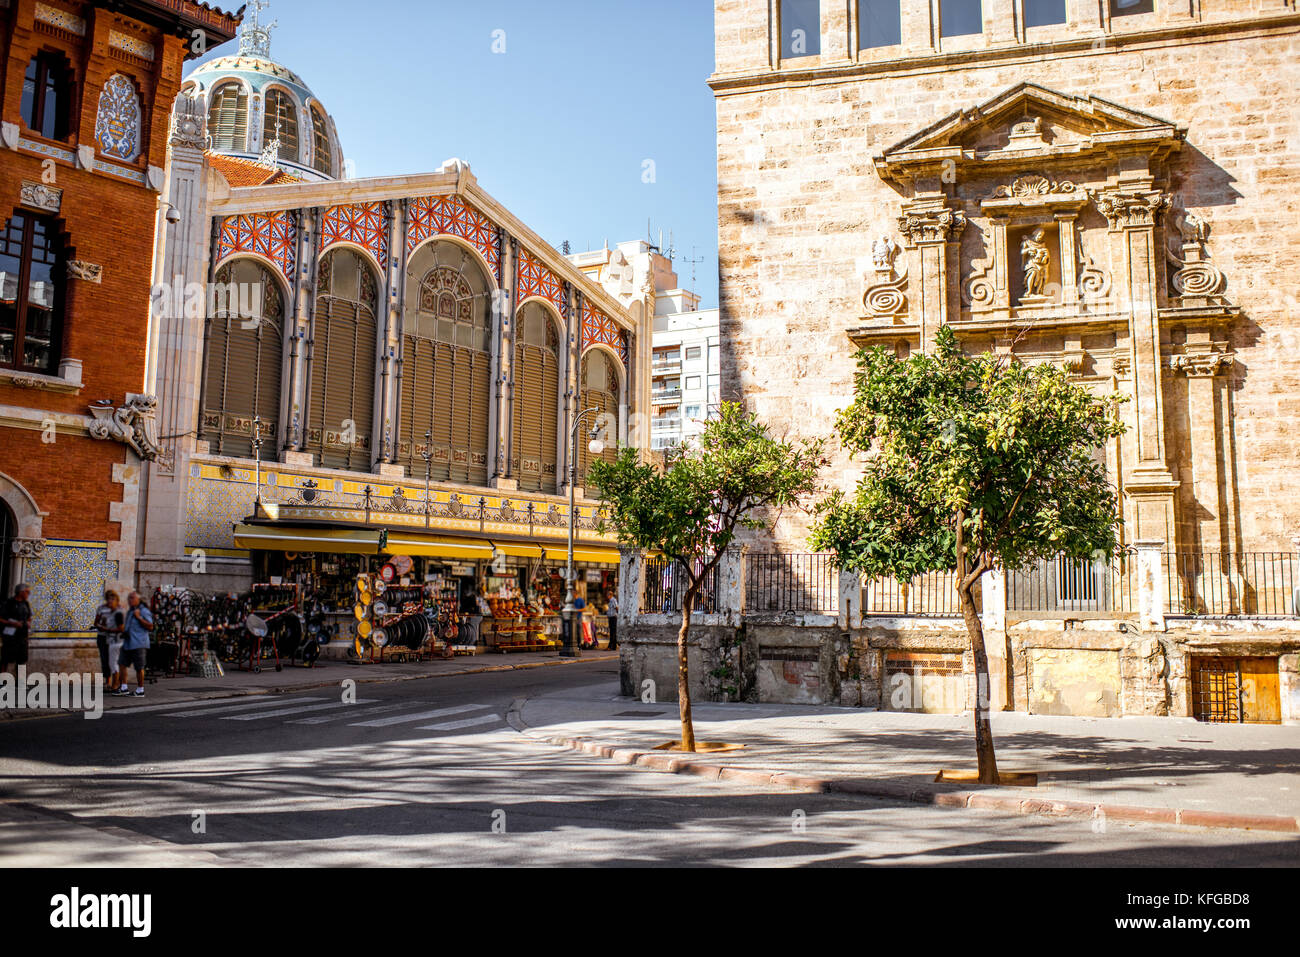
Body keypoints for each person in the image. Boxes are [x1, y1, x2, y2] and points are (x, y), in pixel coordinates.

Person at [114, 591, 153, 697]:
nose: (129, 600)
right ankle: (124, 687)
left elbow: (150, 626)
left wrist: (139, 617)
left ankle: (140, 690)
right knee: (122, 664)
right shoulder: (131, 611)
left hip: (139, 643)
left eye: (132, 598)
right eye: (129, 598)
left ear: (138, 599)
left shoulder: (143, 611)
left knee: (139, 667)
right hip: (128, 643)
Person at [93, 591, 125, 691]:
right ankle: (108, 681)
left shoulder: (119, 610)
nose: (110, 601)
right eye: (108, 598)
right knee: (105, 659)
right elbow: (96, 622)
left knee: (114, 660)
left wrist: (109, 628)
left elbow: (121, 626)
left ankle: (117, 683)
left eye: (112, 599)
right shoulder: (101, 608)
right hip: (103, 636)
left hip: (114, 638)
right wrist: (101, 625)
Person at [0, 583, 33, 676]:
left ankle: (20, 681)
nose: (28, 594)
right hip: (10, 636)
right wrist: (12, 623)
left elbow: (29, 616)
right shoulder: (8, 603)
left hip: (22, 636)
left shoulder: (25, 604)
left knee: (21, 659)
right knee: (5, 658)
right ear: (21, 592)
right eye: (27, 592)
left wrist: (28, 622)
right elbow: (1, 618)